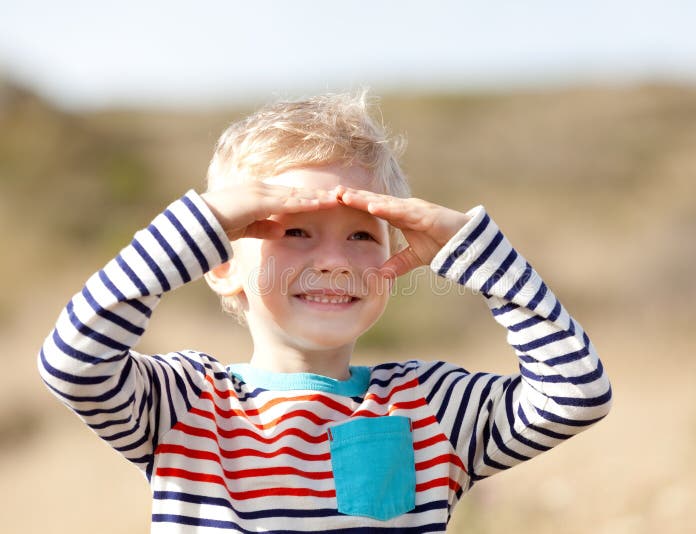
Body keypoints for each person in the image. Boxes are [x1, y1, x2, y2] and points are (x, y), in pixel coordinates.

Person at [38, 92, 612, 533]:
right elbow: (73, 365)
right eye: (295, 231)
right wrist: (199, 223)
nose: (335, 261)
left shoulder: (430, 409)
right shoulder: (183, 405)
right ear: (220, 262)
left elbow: (577, 395)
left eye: (363, 235)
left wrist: (474, 250)